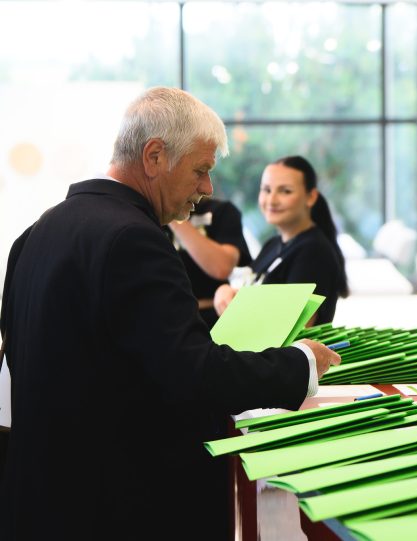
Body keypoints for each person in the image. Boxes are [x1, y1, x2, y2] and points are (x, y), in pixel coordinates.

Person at [0, 87, 341, 540]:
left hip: (45, 496)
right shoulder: (133, 239)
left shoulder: (37, 231)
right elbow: (193, 374)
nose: (207, 188)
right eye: (200, 170)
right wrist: (299, 362)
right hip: (119, 505)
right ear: (155, 156)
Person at [214, 156, 349, 326]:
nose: (272, 200)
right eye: (266, 190)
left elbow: (296, 326)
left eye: (285, 191)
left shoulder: (313, 251)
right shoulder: (273, 244)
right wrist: (226, 291)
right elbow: (252, 294)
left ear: (311, 197)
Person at [167, 196, 252, 328]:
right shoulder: (146, 220)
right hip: (169, 320)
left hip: (216, 314)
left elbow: (222, 267)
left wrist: (173, 217)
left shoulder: (221, 210)